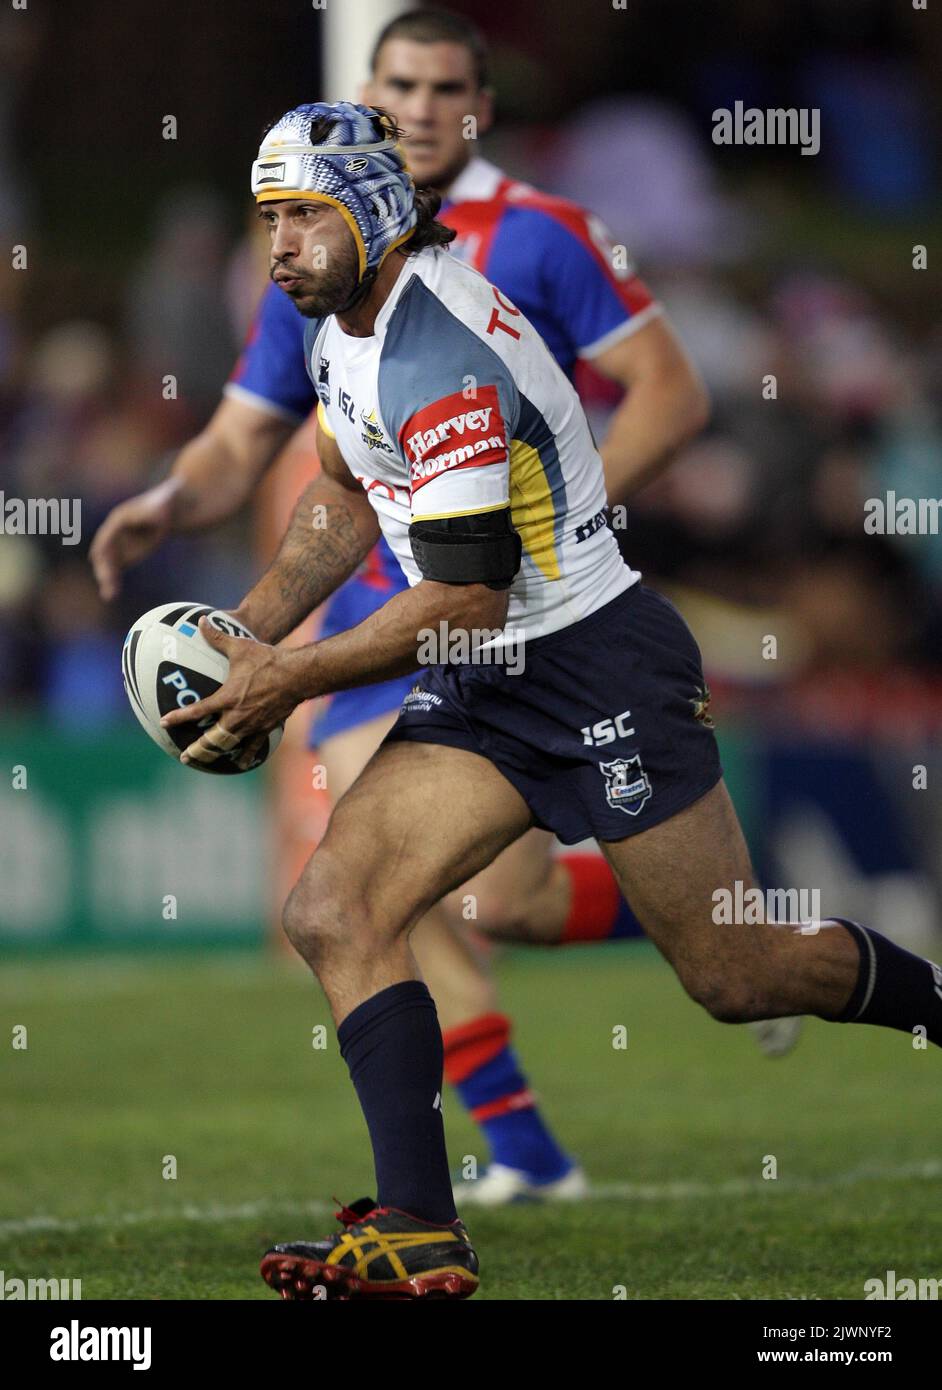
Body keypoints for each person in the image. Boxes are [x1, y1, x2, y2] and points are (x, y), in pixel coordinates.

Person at [161, 102, 942, 1301]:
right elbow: (342, 494)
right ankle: (421, 1224)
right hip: (488, 678)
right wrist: (248, 634)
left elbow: (465, 598)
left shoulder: (442, 352)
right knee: (335, 906)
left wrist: (285, 678)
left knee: (735, 975)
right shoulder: (336, 320)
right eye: (269, 218)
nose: (278, 245)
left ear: (371, 209)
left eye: (303, 216)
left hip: (594, 665)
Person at [91, 8, 793, 1208]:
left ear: (479, 106)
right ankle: (479, 1180)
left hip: (531, 616)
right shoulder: (320, 274)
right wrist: (195, 538)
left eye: (444, 85)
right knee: (357, 902)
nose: (420, 105)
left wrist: (557, 514)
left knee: (502, 907)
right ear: (371, 97)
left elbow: (668, 401)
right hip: (401, 625)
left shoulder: (540, 238)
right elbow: (291, 456)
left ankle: (732, 938)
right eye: (399, 83)